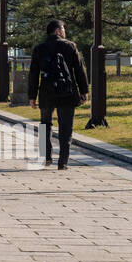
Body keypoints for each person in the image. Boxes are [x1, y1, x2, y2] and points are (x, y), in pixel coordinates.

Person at [27, 19, 89, 169]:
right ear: (57, 31)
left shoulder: (39, 48)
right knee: (65, 127)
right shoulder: (70, 46)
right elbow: (79, 71)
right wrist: (84, 91)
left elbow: (33, 74)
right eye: (63, 29)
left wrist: (32, 96)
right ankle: (63, 162)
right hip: (66, 91)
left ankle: (46, 156)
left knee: (45, 125)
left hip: (46, 91)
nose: (64, 31)